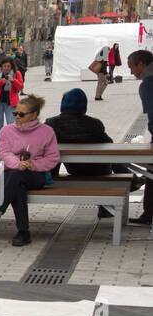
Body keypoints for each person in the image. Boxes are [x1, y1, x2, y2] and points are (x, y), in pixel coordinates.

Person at [0, 93, 60, 247]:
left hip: (36, 175)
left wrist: (34, 165)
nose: (17, 117)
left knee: (17, 178)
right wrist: (18, 164)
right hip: (11, 172)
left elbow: (53, 157)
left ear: (34, 115)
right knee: (17, 183)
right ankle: (23, 232)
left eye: (21, 114)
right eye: (15, 113)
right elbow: (4, 153)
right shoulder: (6, 131)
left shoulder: (47, 131)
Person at [44, 87, 115, 218]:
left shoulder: (51, 123)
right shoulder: (94, 124)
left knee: (53, 150)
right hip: (98, 170)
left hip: (74, 169)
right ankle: (126, 182)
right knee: (113, 157)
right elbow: (109, 144)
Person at [128, 48, 153, 225]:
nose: (131, 72)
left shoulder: (148, 83)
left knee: (151, 172)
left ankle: (148, 214)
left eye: (132, 67)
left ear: (142, 64)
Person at [0, 56, 24, 142]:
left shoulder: (17, 73)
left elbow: (20, 86)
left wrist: (13, 80)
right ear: (1, 66)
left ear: (11, 66)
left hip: (11, 104)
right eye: (4, 66)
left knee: (12, 124)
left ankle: (12, 143)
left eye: (8, 66)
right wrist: (1, 82)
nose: (6, 68)